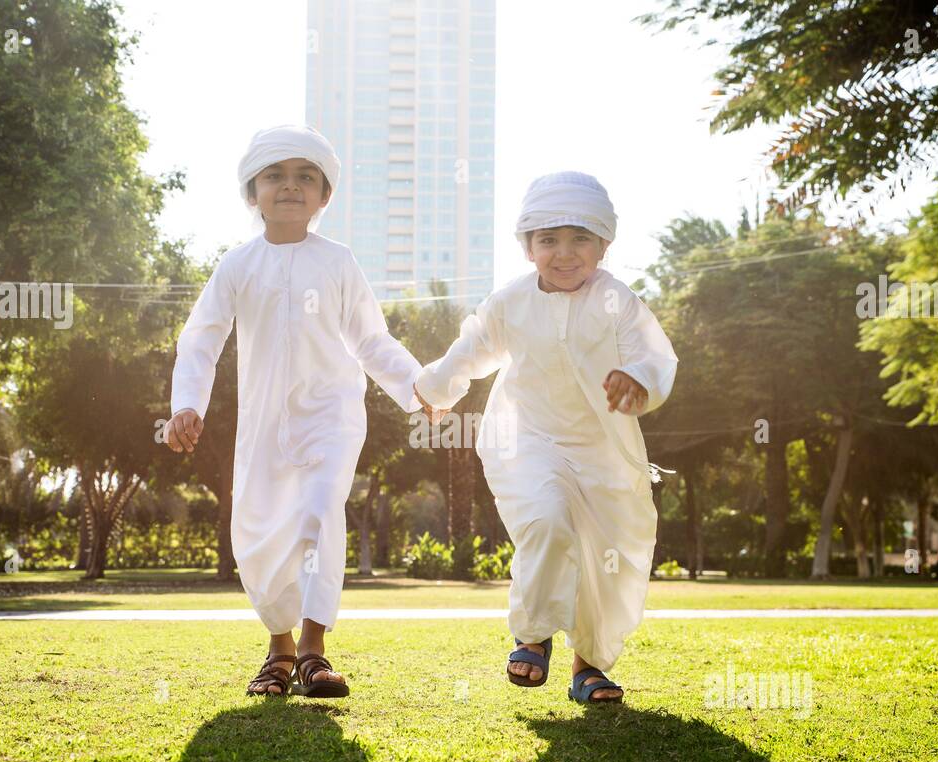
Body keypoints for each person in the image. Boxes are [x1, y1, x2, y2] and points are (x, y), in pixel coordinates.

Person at [166, 124, 433, 698]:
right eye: (275, 176)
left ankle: (312, 651)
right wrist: (186, 404)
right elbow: (201, 339)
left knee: (317, 513)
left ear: (324, 196)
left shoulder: (338, 262)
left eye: (305, 177)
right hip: (261, 422)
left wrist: (418, 386)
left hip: (330, 415)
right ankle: (278, 648)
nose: (290, 187)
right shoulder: (236, 264)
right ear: (251, 192)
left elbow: (371, 339)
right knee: (260, 528)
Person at [414, 171, 678, 703]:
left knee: (609, 557)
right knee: (547, 518)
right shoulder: (510, 301)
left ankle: (590, 668)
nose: (564, 252)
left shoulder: (618, 300)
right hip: (526, 437)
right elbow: (471, 350)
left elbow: (652, 355)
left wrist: (639, 382)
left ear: (603, 244)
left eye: (580, 237)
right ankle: (532, 634)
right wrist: (438, 387)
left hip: (605, 447)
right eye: (548, 239)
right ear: (529, 247)